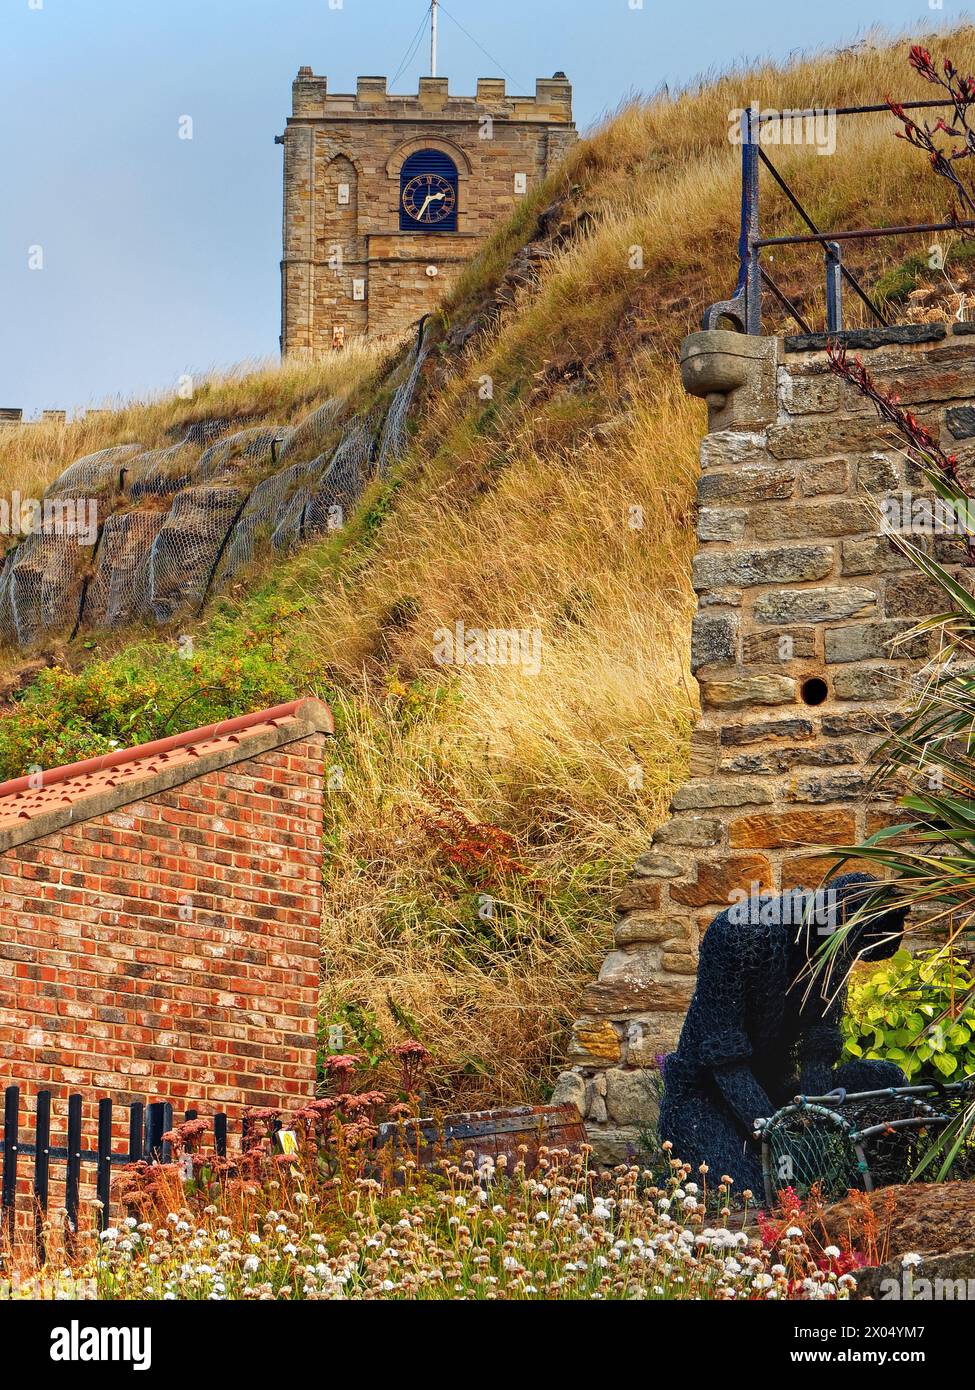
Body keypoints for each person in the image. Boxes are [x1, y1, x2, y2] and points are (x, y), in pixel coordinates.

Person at [658, 872, 909, 1192]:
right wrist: (779, 1131)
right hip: (707, 1098)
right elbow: (724, 1057)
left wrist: (817, 1119)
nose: (851, 958)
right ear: (839, 921)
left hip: (779, 1093)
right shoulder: (741, 930)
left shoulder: (833, 946)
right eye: (857, 948)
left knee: (885, 1080)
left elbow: (817, 1048)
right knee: (752, 1194)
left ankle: (871, 1200)